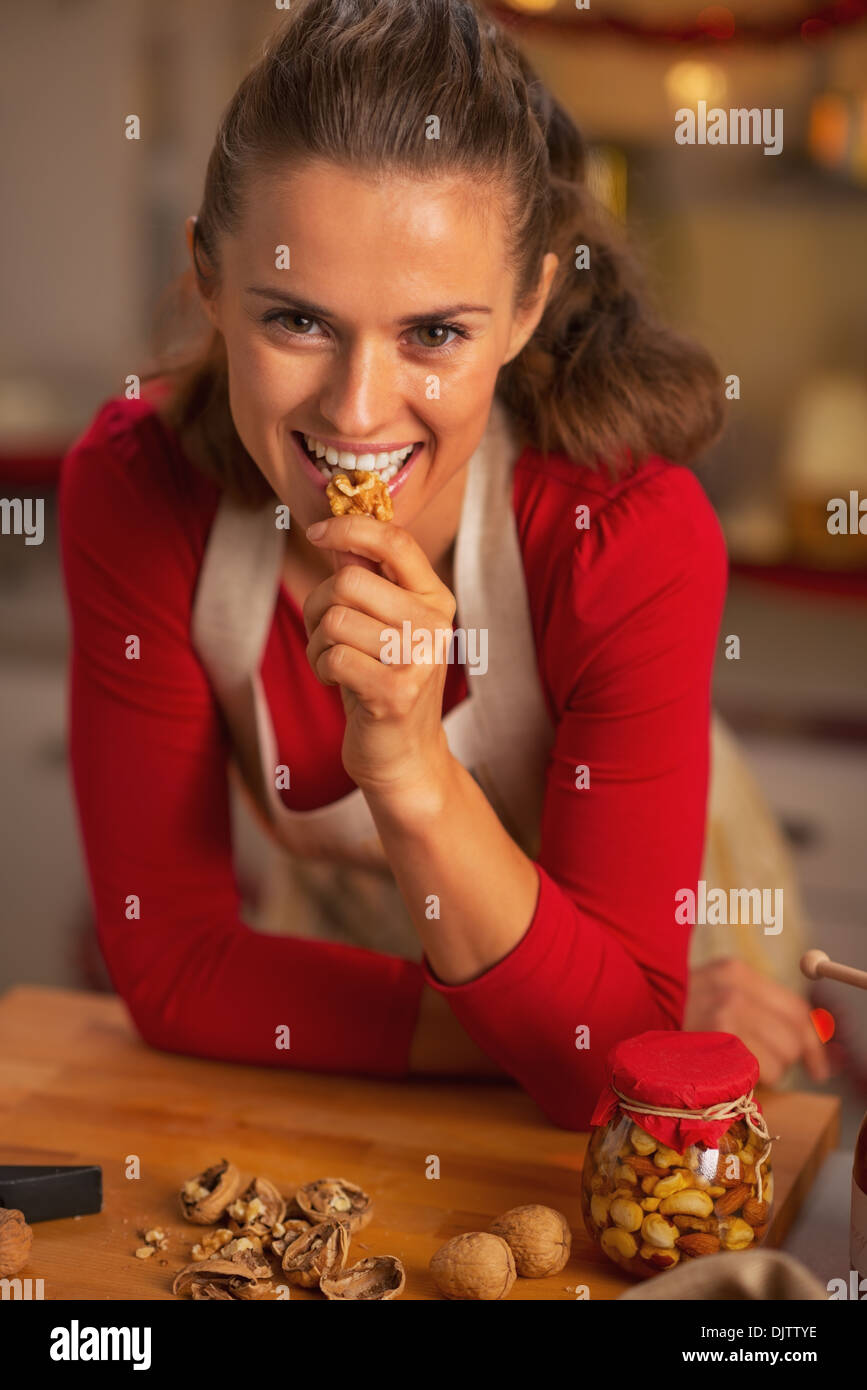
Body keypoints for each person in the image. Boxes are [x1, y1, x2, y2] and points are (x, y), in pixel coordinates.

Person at [59, 0, 827, 1131]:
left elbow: (611, 1064)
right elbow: (173, 969)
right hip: (381, 992)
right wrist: (562, 1033)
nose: (359, 410)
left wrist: (413, 766)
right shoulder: (135, 496)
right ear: (211, 282)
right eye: (296, 322)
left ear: (525, 307)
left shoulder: (628, 539)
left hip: (690, 960)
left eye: (434, 333)